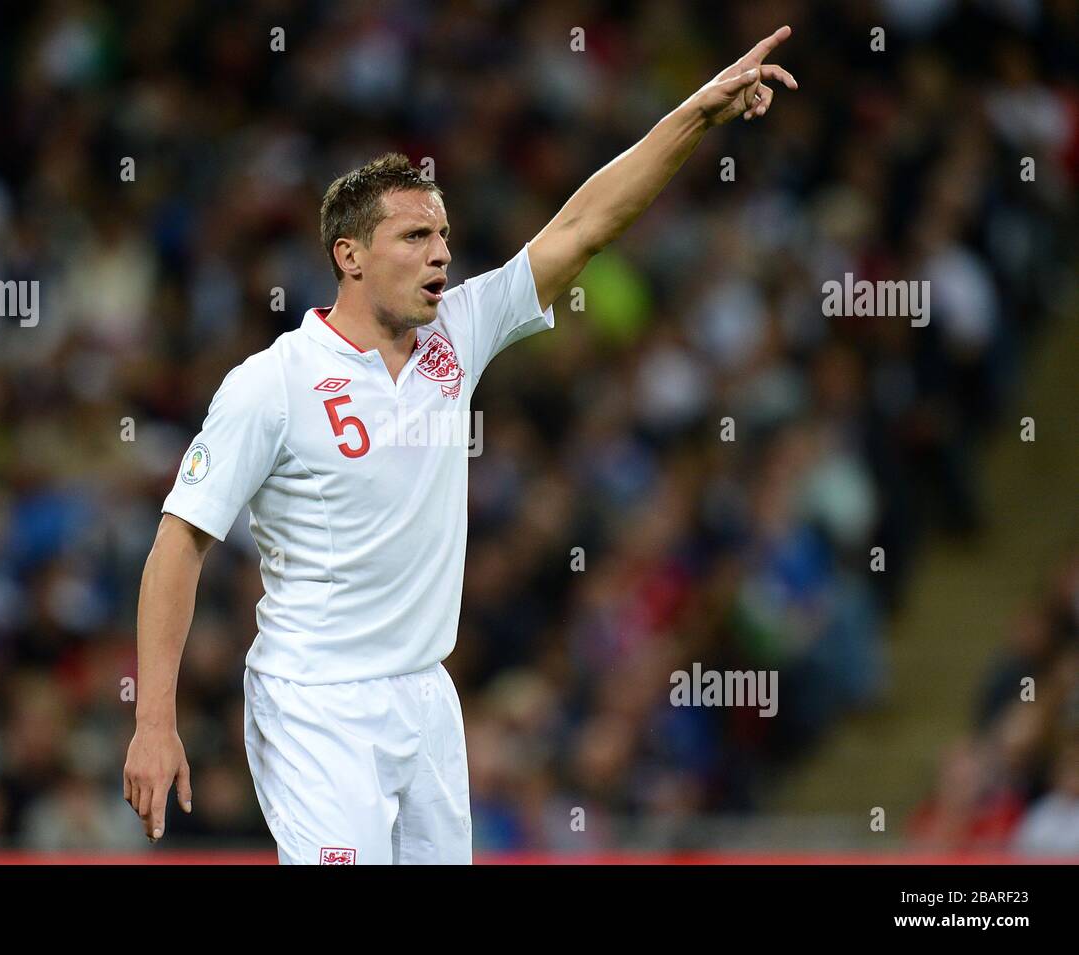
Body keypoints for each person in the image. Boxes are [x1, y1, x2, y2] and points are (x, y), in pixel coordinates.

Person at [123, 26, 798, 864]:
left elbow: (586, 224)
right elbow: (177, 543)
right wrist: (155, 720)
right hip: (316, 704)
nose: (441, 252)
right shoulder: (273, 383)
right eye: (414, 238)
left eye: (443, 235)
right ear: (350, 257)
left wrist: (696, 115)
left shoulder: (458, 336)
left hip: (426, 698)